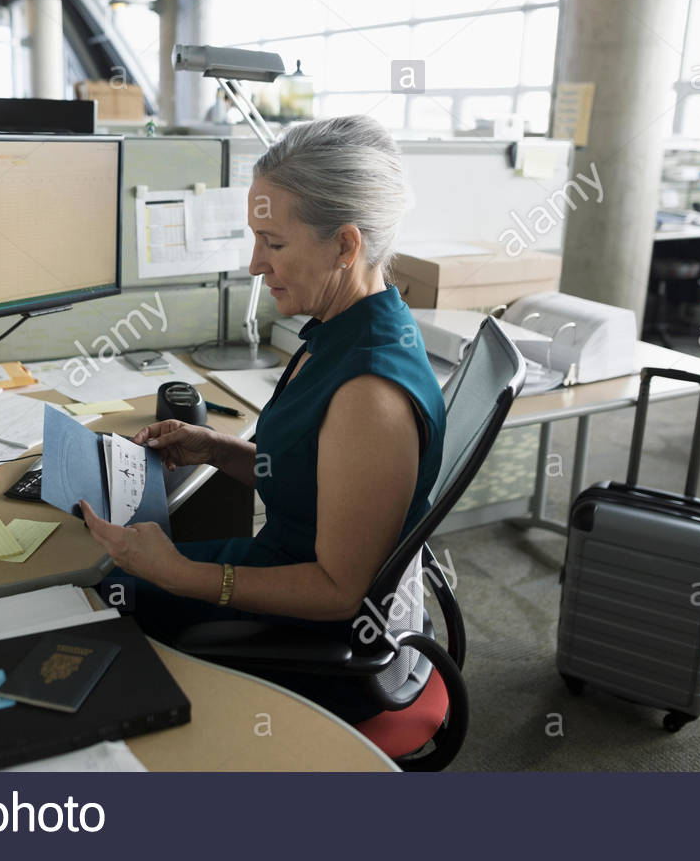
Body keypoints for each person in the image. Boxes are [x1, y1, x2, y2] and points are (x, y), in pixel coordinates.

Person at [79, 115, 445, 722]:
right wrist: (217, 448)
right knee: (110, 575)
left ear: (345, 245)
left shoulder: (370, 392)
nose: (254, 263)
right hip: (284, 572)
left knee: (95, 601)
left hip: (326, 638)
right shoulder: (341, 325)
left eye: (273, 243)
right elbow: (321, 478)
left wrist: (185, 576)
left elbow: (337, 591)